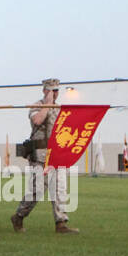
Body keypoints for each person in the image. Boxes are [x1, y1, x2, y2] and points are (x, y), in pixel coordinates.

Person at [10, 77, 77, 234]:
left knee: (60, 189)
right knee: (37, 190)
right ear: (45, 91)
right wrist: (47, 103)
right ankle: (19, 216)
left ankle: (61, 223)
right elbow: (38, 120)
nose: (54, 94)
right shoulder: (37, 106)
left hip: (56, 156)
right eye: (51, 90)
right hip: (39, 156)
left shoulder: (60, 109)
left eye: (56, 91)